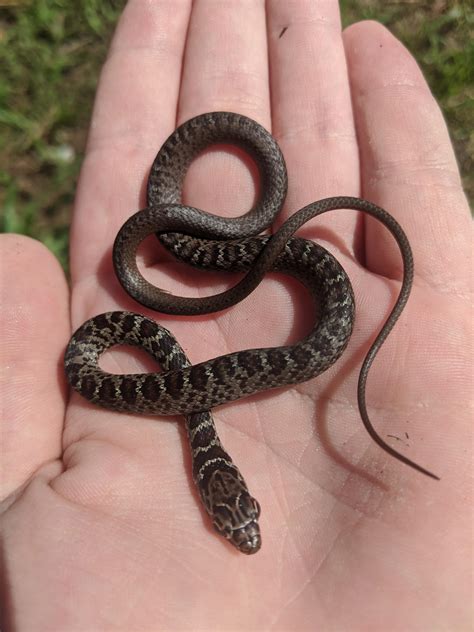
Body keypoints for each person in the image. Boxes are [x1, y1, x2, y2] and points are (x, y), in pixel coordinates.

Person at [1, 2, 471, 630]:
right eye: (241, 516)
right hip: (179, 288)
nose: (242, 529)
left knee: (263, 262)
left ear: (217, 492)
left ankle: (244, 233)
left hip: (220, 273)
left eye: (232, 519)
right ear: (233, 490)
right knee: (216, 268)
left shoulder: (186, 404)